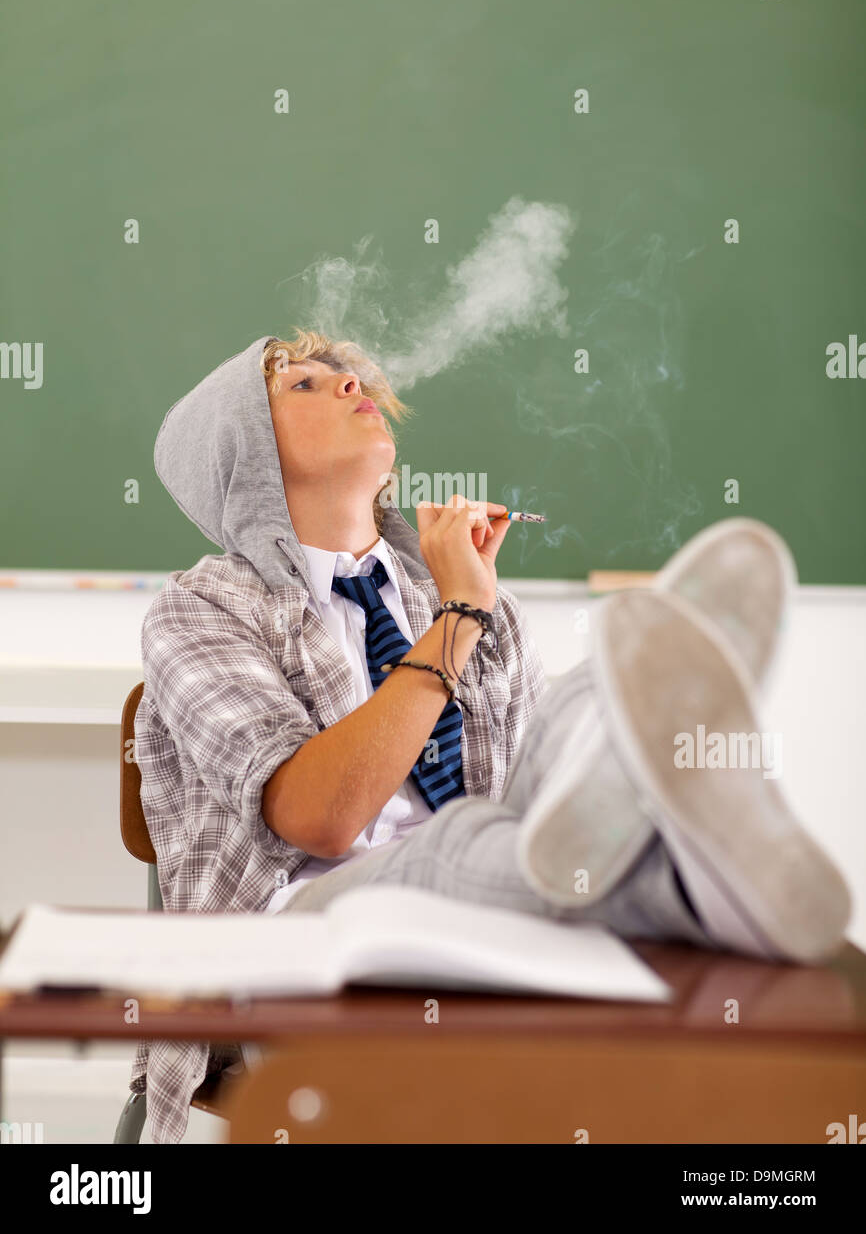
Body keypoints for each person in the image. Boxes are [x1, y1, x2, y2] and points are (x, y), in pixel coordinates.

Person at [128, 330, 851, 1144]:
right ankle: (688, 866)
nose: (346, 384)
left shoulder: (465, 598)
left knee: (579, 723)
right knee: (472, 846)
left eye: (345, 375)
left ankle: (668, 793)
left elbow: (534, 790)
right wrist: (456, 618)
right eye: (302, 386)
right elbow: (320, 817)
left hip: (492, 906)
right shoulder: (203, 608)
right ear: (244, 457)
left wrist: (471, 610)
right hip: (301, 934)